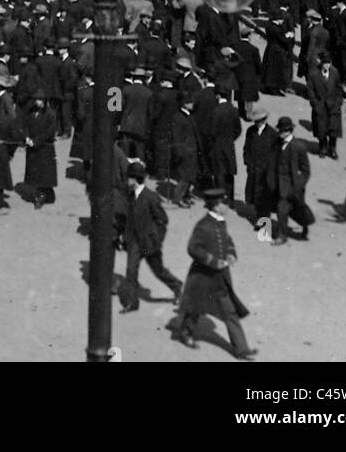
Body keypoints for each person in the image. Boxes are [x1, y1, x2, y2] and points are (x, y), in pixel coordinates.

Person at [173, 188, 257, 360]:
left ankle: (241, 349)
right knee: (195, 308)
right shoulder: (203, 225)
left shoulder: (221, 222)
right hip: (202, 278)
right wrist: (212, 261)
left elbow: (228, 240)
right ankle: (185, 333)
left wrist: (231, 253)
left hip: (219, 278)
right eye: (225, 204)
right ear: (216, 206)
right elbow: (193, 248)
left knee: (229, 312)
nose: (227, 207)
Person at [118, 162, 182, 313]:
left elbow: (162, 220)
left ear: (135, 179)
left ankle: (177, 286)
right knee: (131, 271)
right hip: (134, 241)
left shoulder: (151, 197)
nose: (126, 181)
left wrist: (157, 240)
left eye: (129, 178)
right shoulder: (129, 195)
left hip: (149, 242)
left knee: (158, 271)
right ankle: (132, 303)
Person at [272, 116, 313, 244]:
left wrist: (299, 184)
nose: (281, 133)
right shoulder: (278, 143)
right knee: (281, 209)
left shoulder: (298, 147)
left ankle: (305, 226)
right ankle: (282, 235)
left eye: (283, 131)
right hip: (281, 185)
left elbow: (306, 170)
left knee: (300, 209)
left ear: (290, 131)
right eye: (280, 130)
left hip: (295, 187)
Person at [242, 107, 276, 230]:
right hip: (253, 169)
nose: (257, 123)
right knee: (255, 196)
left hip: (265, 171)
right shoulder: (251, 131)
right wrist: (247, 162)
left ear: (265, 120)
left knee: (265, 198)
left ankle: (263, 221)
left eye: (260, 120)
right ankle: (258, 217)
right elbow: (246, 148)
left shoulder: (272, 134)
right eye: (256, 121)